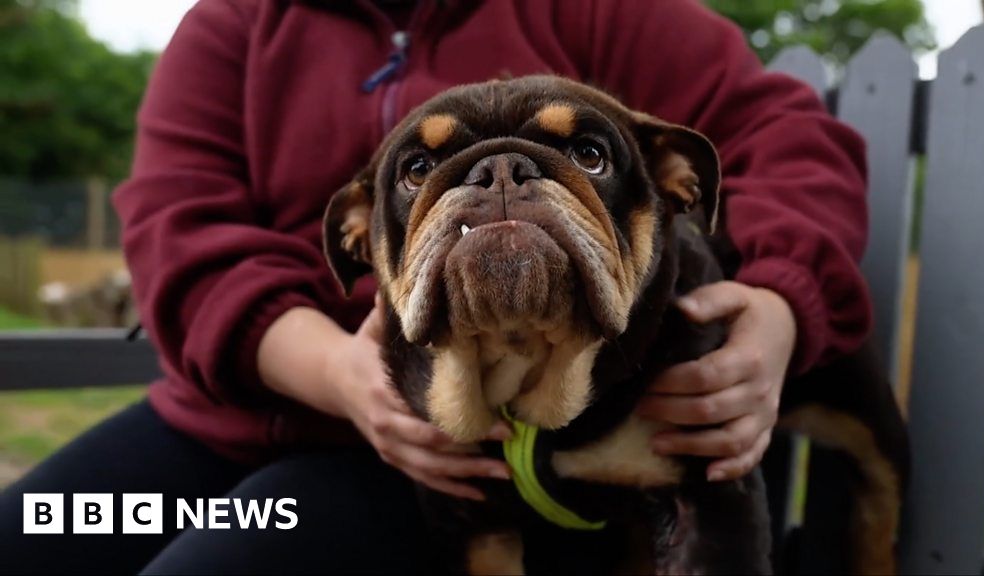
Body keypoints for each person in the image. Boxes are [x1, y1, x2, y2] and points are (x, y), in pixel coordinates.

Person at [0, 0, 871, 573]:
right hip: (231, 417)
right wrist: (338, 372)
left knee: (221, 554)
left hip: (434, 456)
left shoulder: (603, 9)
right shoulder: (233, 26)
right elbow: (176, 229)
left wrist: (781, 303)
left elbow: (786, 137)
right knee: (36, 533)